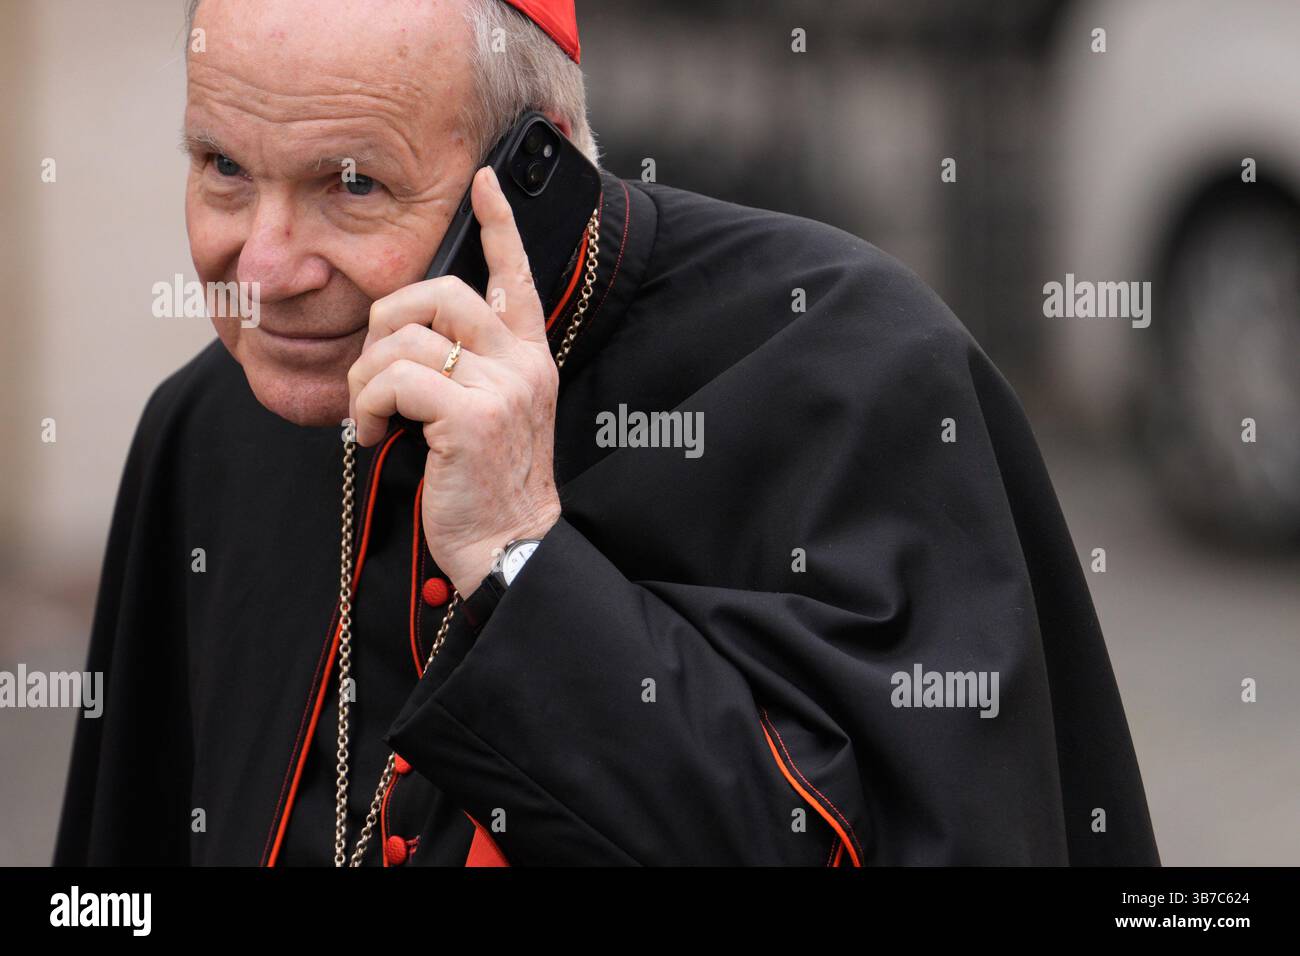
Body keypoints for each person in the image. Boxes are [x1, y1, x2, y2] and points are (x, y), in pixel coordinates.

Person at [53, 0, 1159, 866]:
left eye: (352, 183)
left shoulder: (851, 372)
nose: (261, 269)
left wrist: (521, 558)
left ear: (540, 171)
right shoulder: (206, 425)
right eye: (224, 170)